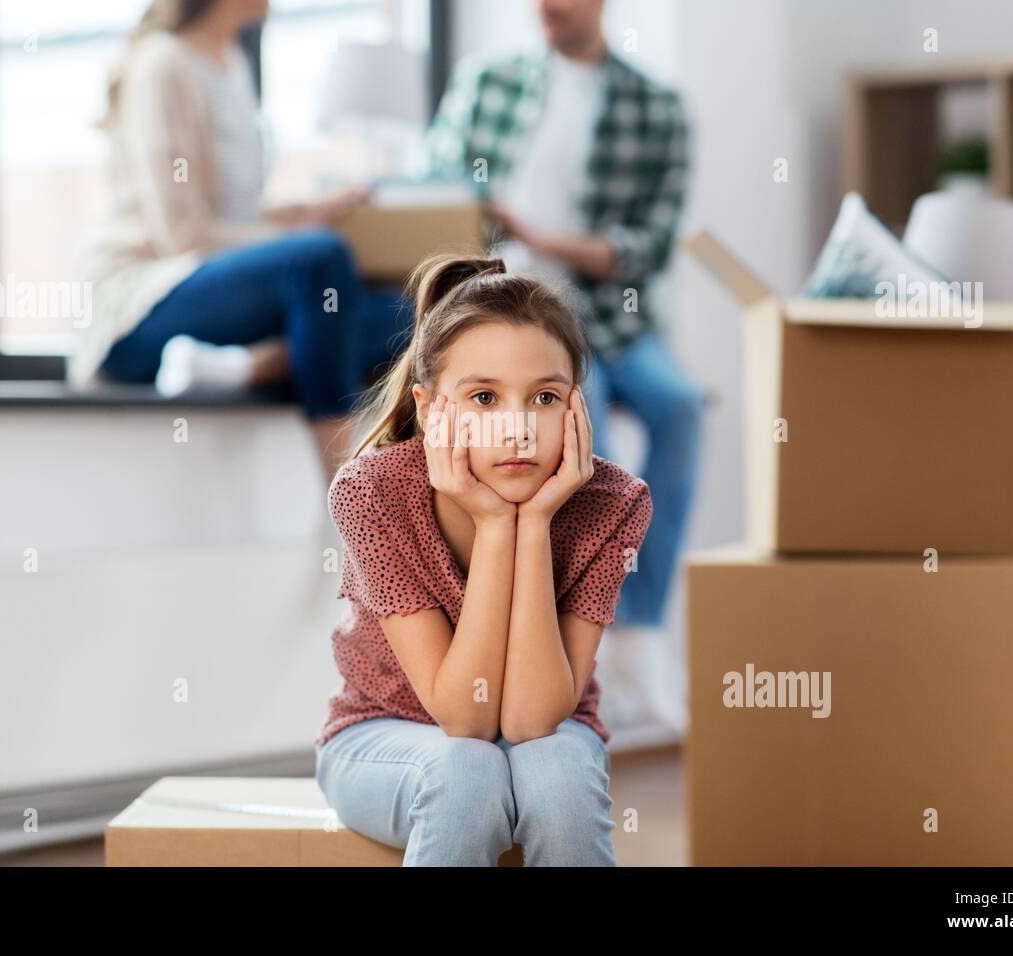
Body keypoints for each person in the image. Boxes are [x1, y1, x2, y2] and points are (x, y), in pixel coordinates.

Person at [313, 253, 652, 866]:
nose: (517, 430)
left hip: (549, 727)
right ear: (429, 409)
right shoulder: (373, 493)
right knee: (467, 772)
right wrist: (498, 525)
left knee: (557, 773)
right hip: (386, 733)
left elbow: (530, 721)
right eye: (485, 399)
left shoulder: (614, 503)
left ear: (577, 408)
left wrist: (537, 521)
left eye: (545, 397)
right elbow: (466, 718)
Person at [422, 0, 700, 738]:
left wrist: (551, 239)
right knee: (581, 420)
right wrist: (492, 229)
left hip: (609, 310)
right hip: (512, 314)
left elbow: (650, 244)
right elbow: (435, 192)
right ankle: (579, 628)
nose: (546, 7)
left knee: (680, 407)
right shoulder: (488, 82)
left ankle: (639, 621)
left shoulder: (654, 106)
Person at [70, 0, 409, 482]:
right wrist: (298, 235)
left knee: (405, 317)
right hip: (142, 302)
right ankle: (349, 498)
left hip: (209, 289)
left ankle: (239, 367)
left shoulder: (233, 65)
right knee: (321, 262)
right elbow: (182, 234)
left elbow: (233, 215)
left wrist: (305, 213)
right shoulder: (162, 64)